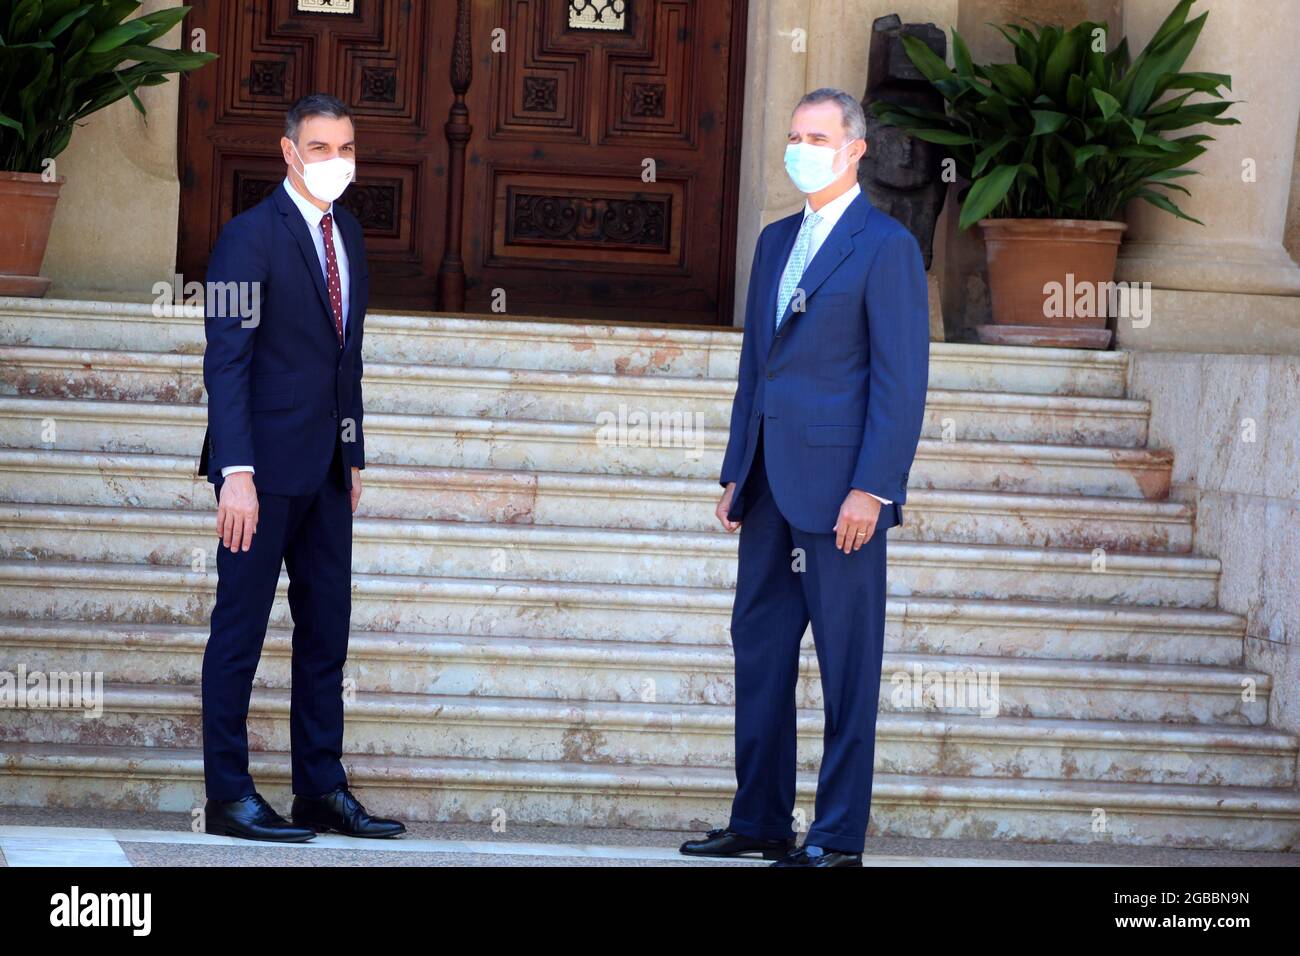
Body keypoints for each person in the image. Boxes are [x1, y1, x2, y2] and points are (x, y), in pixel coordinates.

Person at [680, 88, 930, 867]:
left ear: (855, 148)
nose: (801, 147)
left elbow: (901, 381)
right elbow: (758, 367)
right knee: (759, 653)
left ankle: (836, 836)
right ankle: (758, 820)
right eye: (793, 134)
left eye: (816, 136)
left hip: (842, 497)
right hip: (765, 490)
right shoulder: (774, 239)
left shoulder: (885, 247)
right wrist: (734, 470)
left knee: (848, 667)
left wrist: (875, 487)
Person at [197, 92, 405, 842]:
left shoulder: (346, 232)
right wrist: (236, 472)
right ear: (290, 152)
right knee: (240, 633)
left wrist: (352, 453)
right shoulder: (242, 238)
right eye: (321, 148)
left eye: (347, 149)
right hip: (260, 476)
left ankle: (321, 788)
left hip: (324, 474)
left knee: (326, 634)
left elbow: (345, 361)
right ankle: (229, 796)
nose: (336, 163)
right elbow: (226, 362)